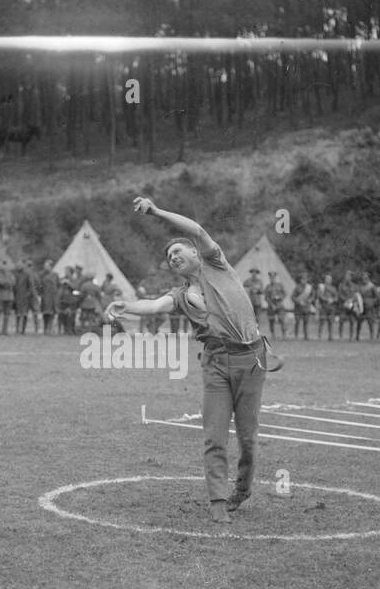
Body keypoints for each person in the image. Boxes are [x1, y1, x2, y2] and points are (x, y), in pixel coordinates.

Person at [104, 197, 278, 525]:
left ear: (196, 253)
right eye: (169, 257)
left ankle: (242, 488)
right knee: (214, 434)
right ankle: (217, 501)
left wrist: (156, 212)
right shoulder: (180, 295)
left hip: (252, 360)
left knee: (248, 438)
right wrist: (124, 306)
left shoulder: (216, 263)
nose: (173, 257)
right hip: (215, 363)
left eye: (178, 252)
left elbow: (196, 229)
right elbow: (154, 306)